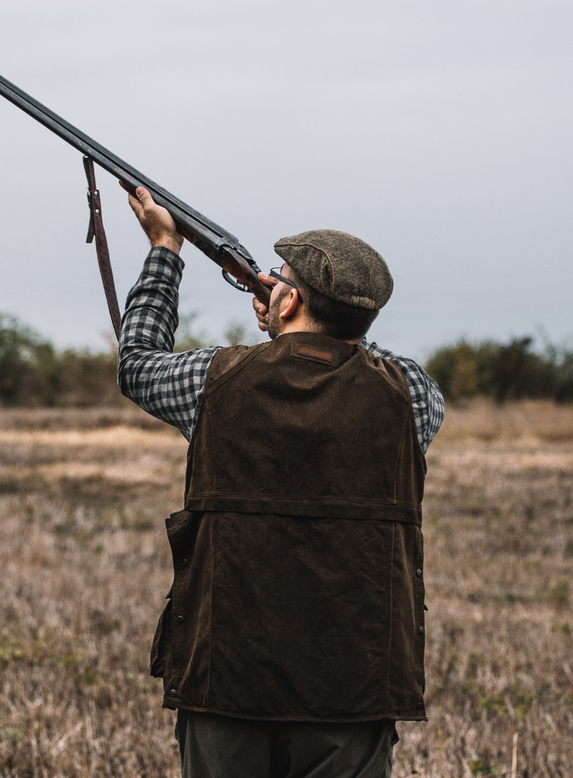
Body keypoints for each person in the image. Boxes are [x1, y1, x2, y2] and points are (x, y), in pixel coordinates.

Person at [117, 185, 445, 778]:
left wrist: (166, 250)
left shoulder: (215, 379)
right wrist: (304, 320)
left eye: (278, 279)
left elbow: (136, 362)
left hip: (226, 680)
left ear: (288, 299)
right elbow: (362, 352)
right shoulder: (412, 396)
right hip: (355, 684)